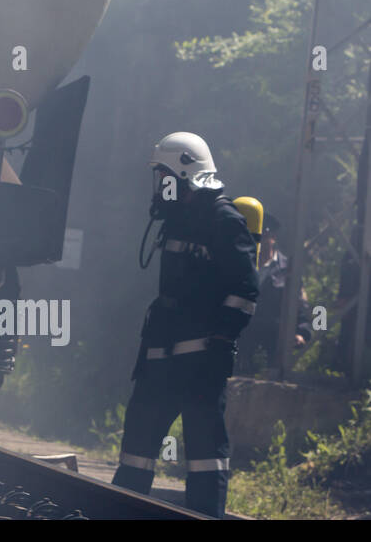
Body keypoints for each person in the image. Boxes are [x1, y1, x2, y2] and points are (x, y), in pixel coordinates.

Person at [112, 132, 259, 518]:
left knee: (205, 453)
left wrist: (220, 339)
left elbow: (245, 289)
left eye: (164, 178)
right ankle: (119, 510)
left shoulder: (224, 220)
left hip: (201, 360)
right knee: (139, 442)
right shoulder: (176, 219)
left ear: (185, 175)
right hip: (161, 353)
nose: (159, 187)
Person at [235, 215, 311, 373]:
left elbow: (301, 306)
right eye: (255, 236)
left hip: (274, 340)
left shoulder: (287, 269)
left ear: (273, 237)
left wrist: (302, 332)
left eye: (263, 236)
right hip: (243, 337)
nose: (259, 241)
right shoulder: (242, 265)